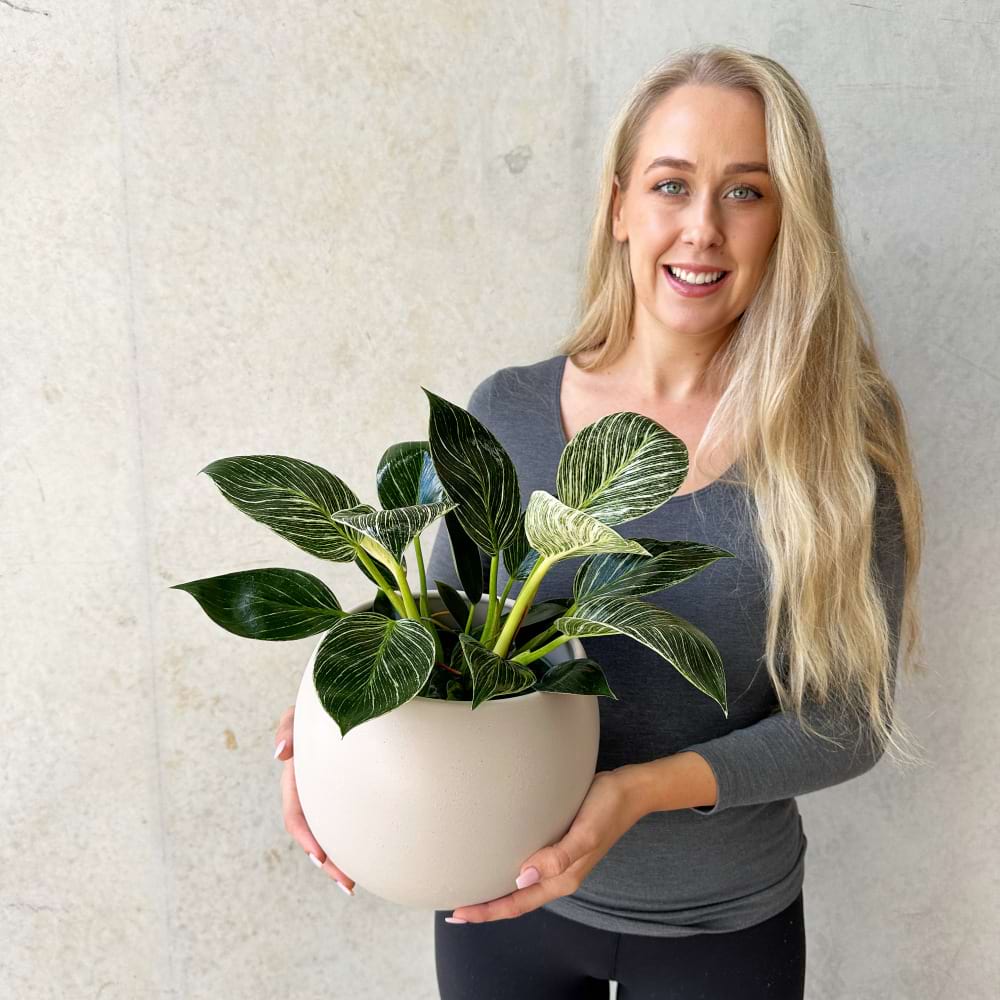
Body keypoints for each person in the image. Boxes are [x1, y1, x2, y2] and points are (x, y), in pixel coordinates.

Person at [274, 43, 926, 999]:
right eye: (672, 185)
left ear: (789, 222)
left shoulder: (834, 447)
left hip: (723, 923)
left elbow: (847, 725)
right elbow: (432, 645)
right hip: (507, 901)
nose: (702, 228)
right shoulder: (507, 415)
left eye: (746, 193)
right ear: (620, 205)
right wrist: (334, 729)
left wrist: (636, 792)